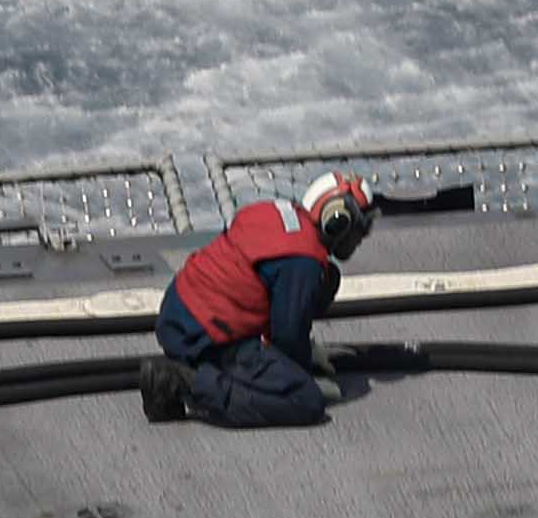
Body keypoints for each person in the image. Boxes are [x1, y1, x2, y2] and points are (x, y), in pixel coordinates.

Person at [148, 172, 373, 428]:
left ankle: (198, 372)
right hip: (202, 338)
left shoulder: (273, 212)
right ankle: (185, 383)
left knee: (326, 279)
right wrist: (302, 374)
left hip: (178, 312)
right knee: (304, 401)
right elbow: (287, 339)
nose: (360, 238)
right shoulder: (303, 262)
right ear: (337, 222)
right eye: (359, 228)